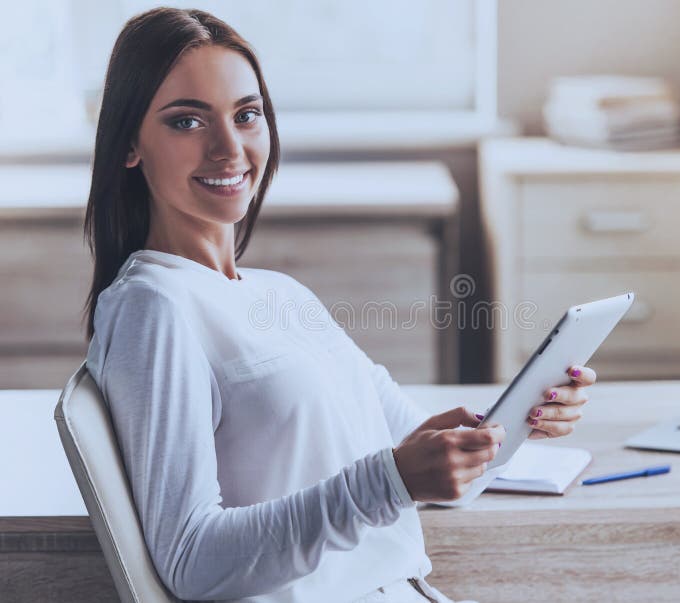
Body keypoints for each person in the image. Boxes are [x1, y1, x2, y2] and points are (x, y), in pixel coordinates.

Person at [82, 8, 596, 603]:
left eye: (247, 115)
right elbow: (192, 559)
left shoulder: (279, 294)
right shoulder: (155, 308)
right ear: (128, 144)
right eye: (187, 121)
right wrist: (390, 480)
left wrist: (516, 420)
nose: (230, 147)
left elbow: (403, 448)